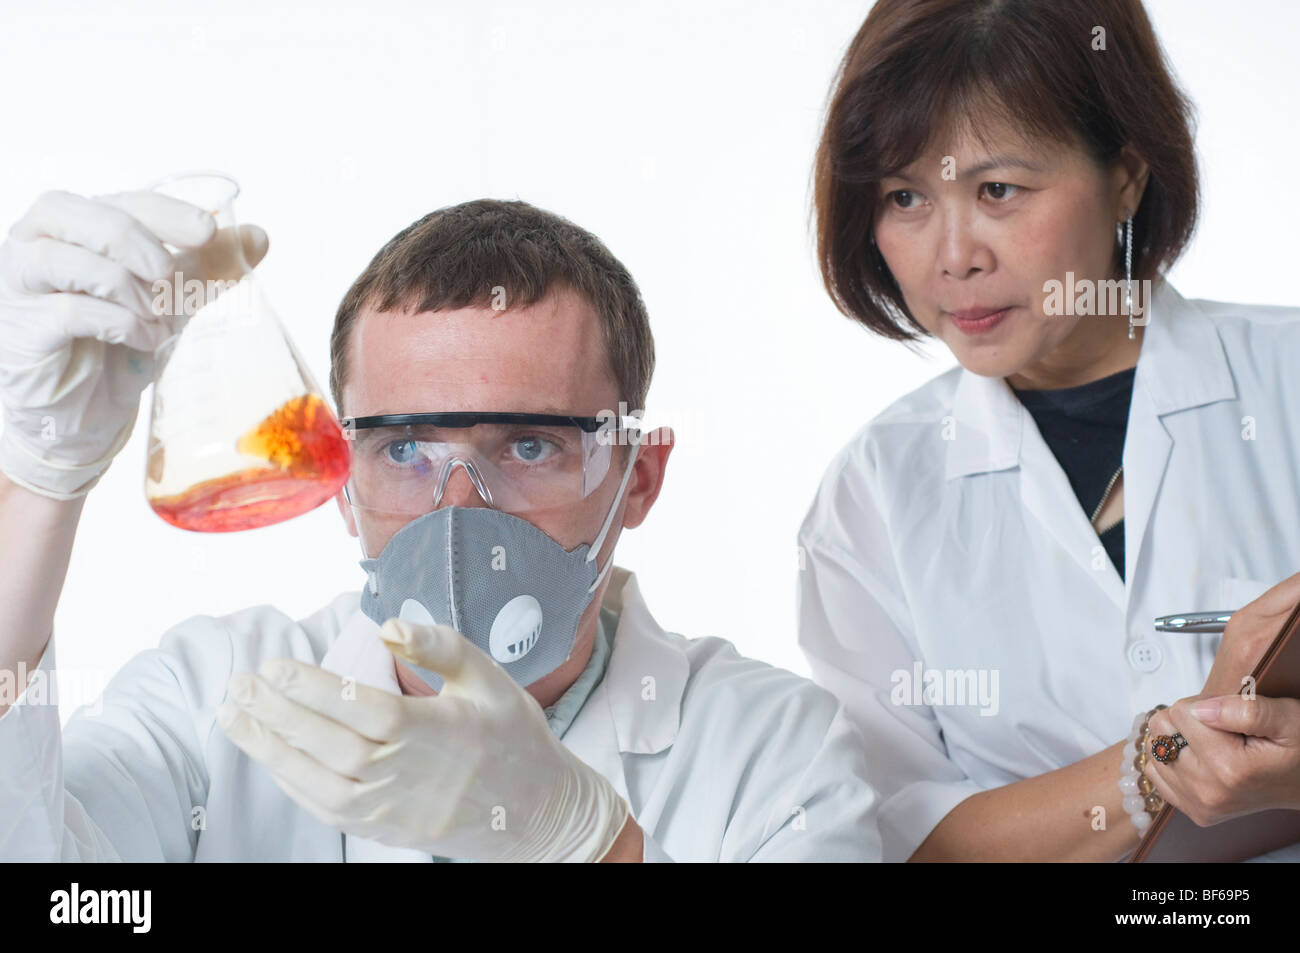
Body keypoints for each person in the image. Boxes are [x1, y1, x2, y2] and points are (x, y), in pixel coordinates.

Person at [0, 192, 880, 862]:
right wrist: (39, 482)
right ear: (343, 480)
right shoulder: (211, 702)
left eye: (530, 445)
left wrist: (581, 840)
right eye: (405, 450)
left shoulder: (774, 750)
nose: (460, 512)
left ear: (638, 476)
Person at [797, 0, 1300, 862]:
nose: (953, 255)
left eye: (999, 190)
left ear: (1128, 176)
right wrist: (1160, 762)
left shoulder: (1283, 380)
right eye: (905, 196)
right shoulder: (874, 492)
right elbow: (896, 836)